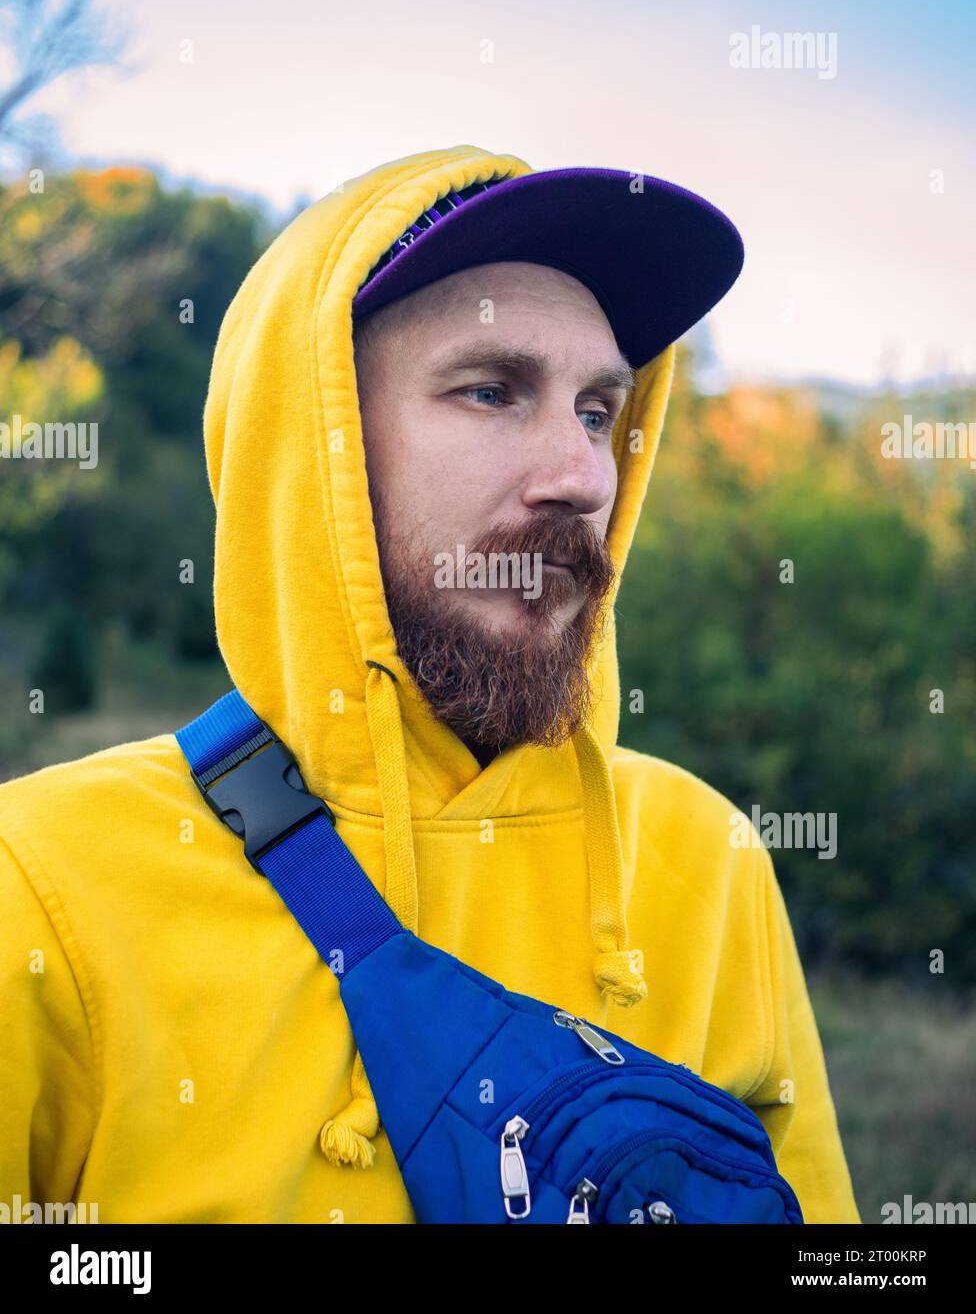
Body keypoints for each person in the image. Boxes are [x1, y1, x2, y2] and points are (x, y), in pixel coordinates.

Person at [0, 143, 861, 1224]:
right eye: (492, 389)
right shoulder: (43, 887)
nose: (582, 474)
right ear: (317, 451)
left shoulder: (706, 861)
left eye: (599, 411)